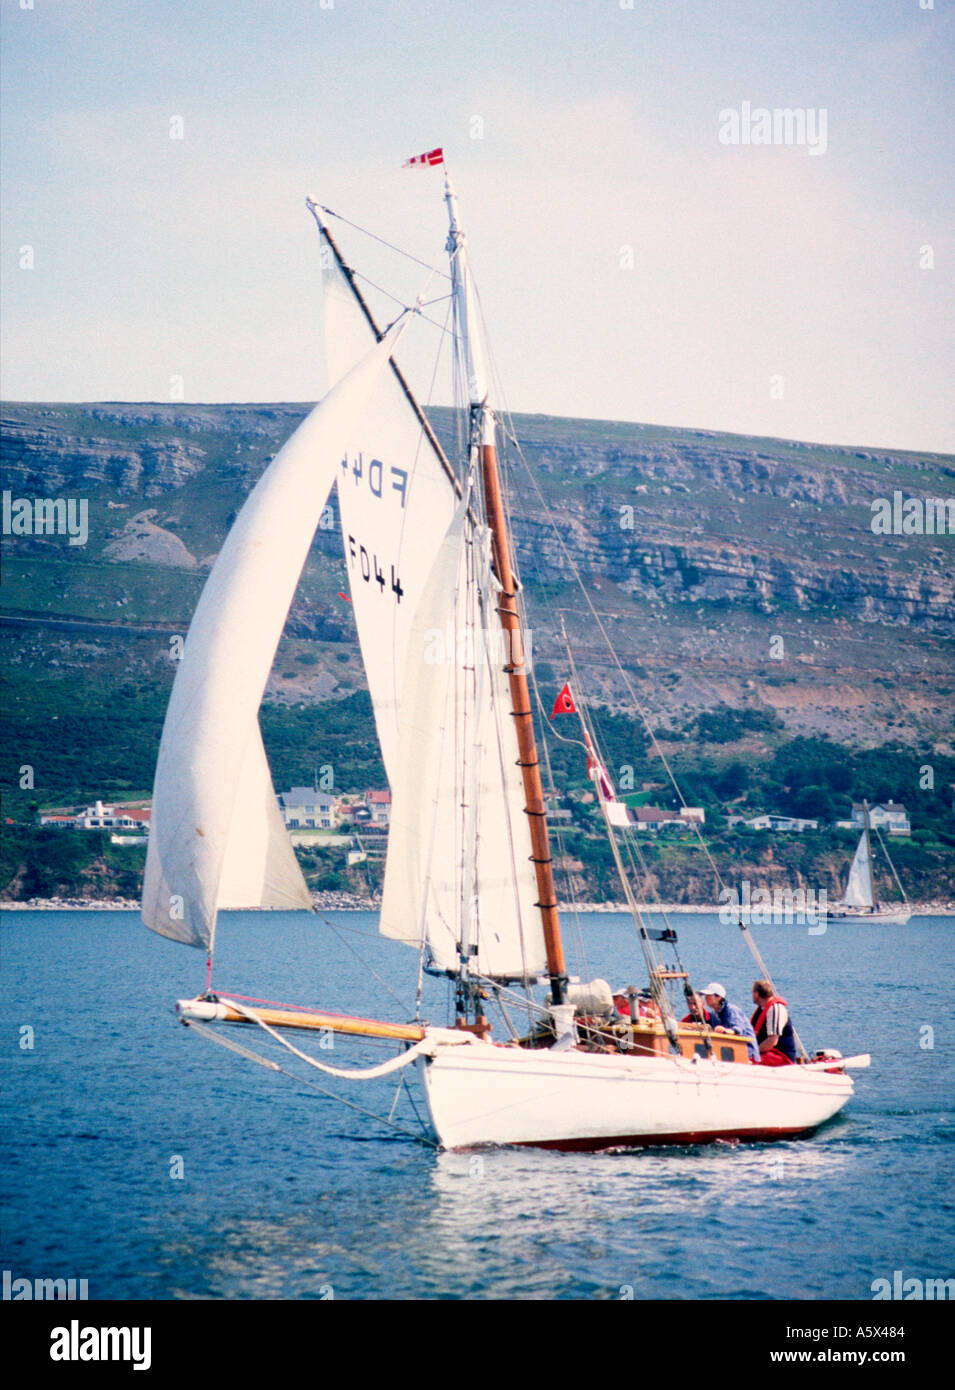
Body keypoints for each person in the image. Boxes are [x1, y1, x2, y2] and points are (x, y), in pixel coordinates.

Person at [700, 982, 760, 1062]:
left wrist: (726, 1031)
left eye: (708, 995)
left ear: (718, 997)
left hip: (747, 1054)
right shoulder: (714, 1014)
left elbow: (739, 1030)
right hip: (730, 1053)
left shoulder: (731, 1010)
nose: (705, 998)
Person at [750, 979, 797, 1066]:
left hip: (781, 1056)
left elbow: (772, 1041)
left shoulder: (776, 1009)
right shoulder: (762, 1009)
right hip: (766, 1053)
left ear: (756, 994)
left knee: (748, 1061)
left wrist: (753, 1051)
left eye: (752, 992)